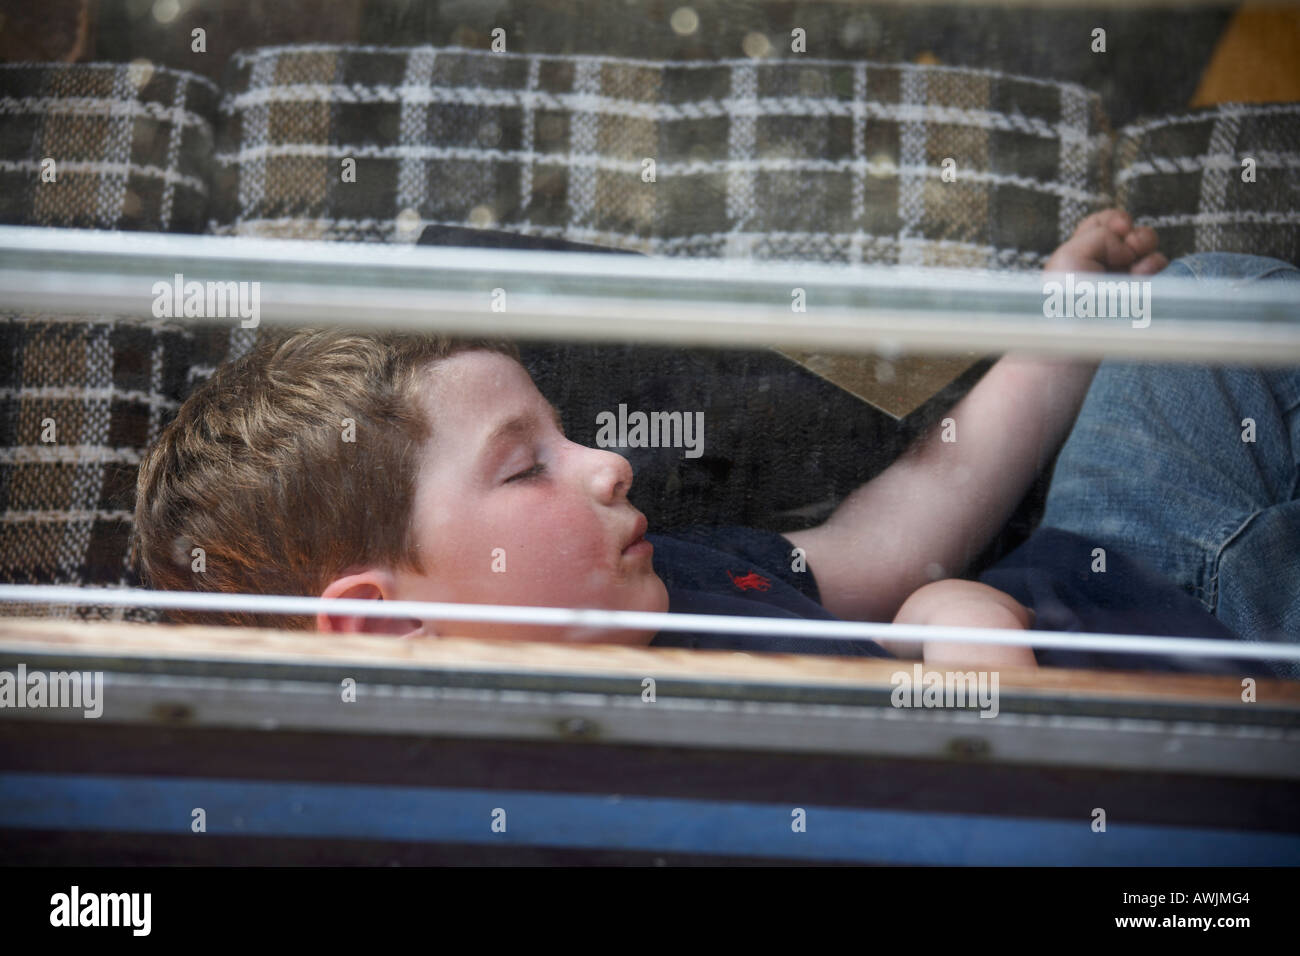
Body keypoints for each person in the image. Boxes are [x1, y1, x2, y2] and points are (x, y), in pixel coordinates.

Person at [131, 210, 1281, 674]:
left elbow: (893, 537)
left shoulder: (675, 577)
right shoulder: (602, 776)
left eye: (565, 435)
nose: (609, 461)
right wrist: (962, 654)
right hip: (1188, 709)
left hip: (1135, 570)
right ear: (383, 620)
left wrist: (1055, 331)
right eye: (528, 465)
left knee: (1211, 307)